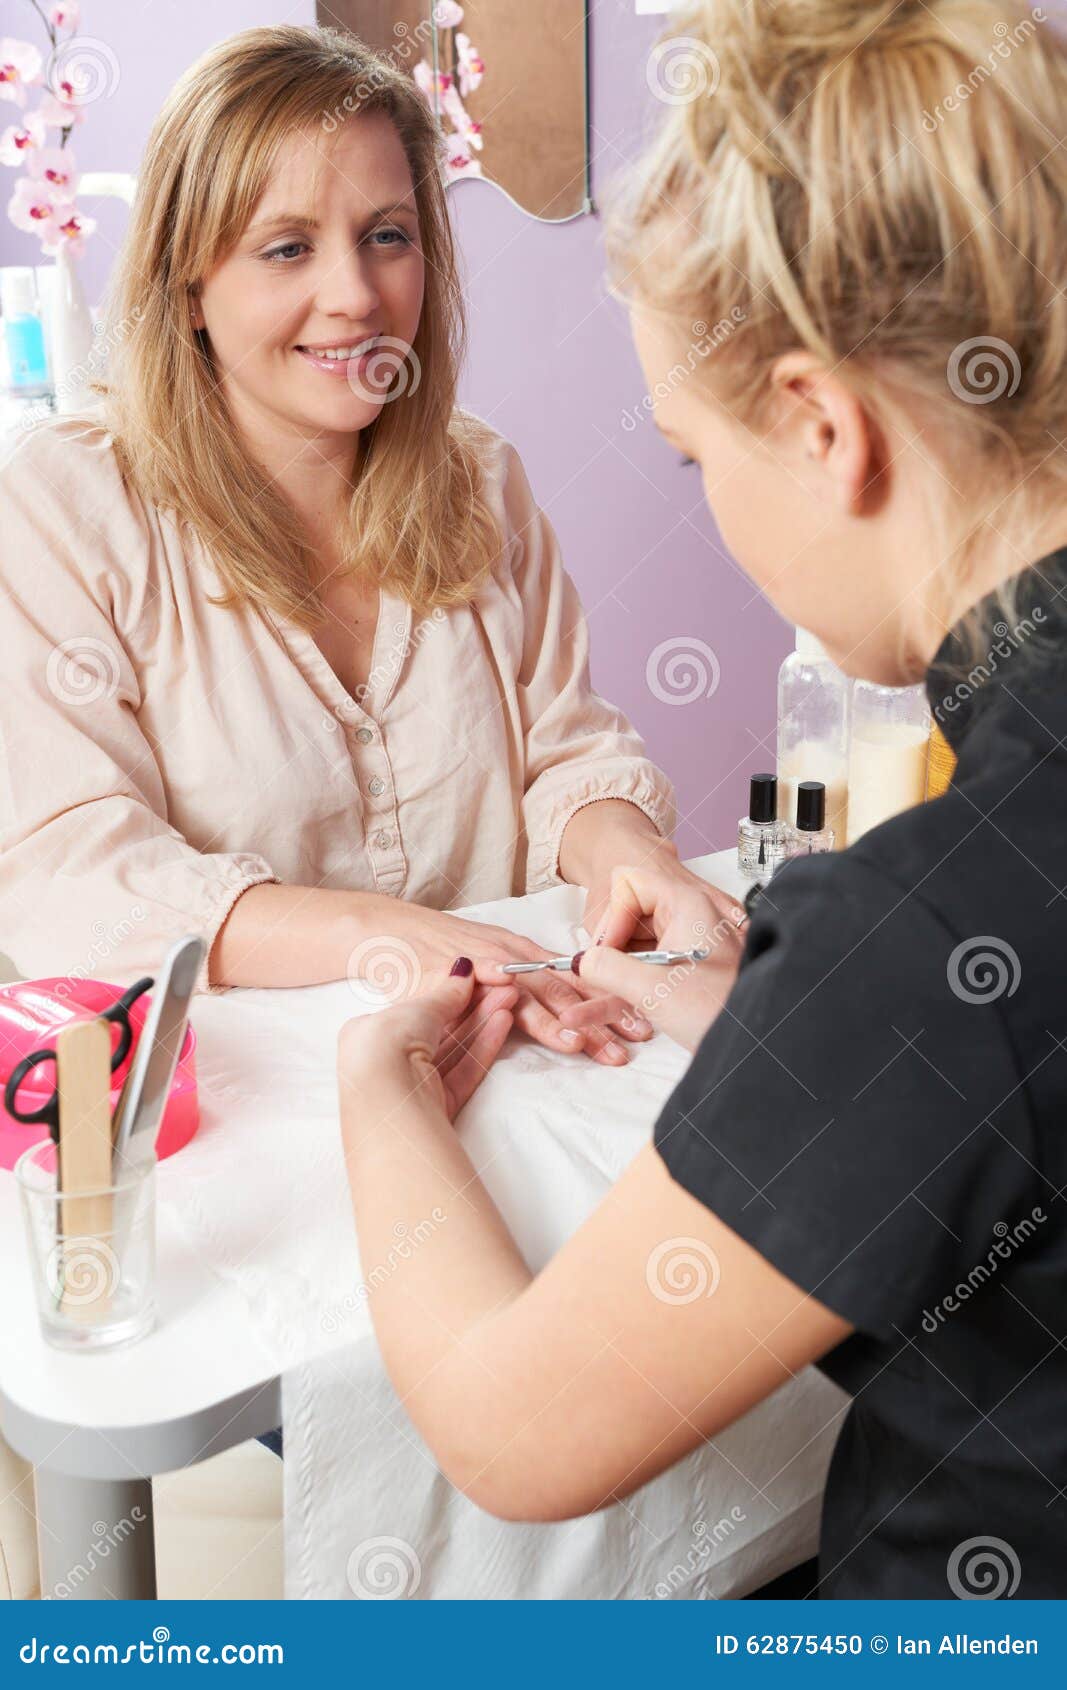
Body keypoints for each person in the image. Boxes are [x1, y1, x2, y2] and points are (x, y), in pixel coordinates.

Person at [336, 0, 1067, 1598]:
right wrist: (757, 1008)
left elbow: (512, 1431)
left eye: (689, 459)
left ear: (821, 428)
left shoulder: (938, 914)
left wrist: (377, 1095)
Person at [0, 24, 731, 1065]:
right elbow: (69, 873)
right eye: (287, 247)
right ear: (186, 285)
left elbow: (562, 745)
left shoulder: (481, 482)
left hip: (511, 1053)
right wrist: (380, 934)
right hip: (239, 1109)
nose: (355, 293)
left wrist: (631, 853)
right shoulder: (63, 506)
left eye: (386, 234)